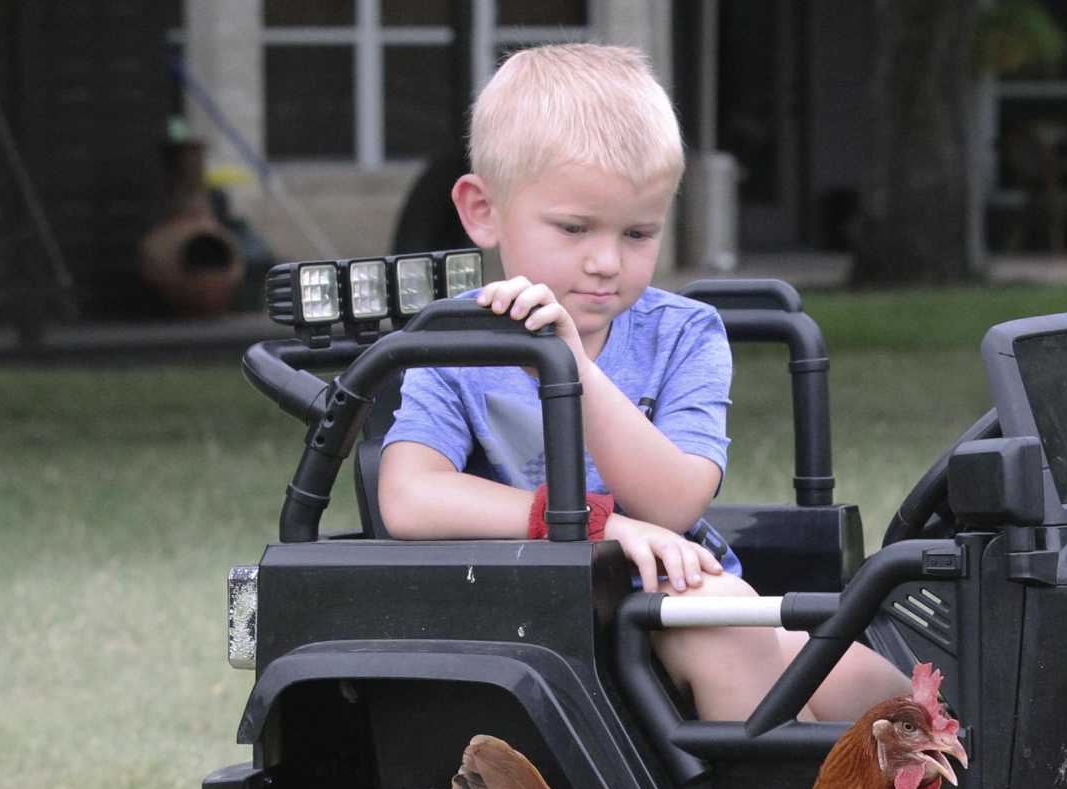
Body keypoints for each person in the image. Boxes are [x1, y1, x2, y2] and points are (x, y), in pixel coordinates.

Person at [380, 43, 908, 722]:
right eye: (574, 228)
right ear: (483, 210)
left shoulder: (684, 333)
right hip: (547, 612)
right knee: (723, 625)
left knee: (893, 701)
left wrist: (575, 370)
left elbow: (676, 502)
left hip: (681, 581)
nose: (606, 261)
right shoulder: (457, 343)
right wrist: (597, 525)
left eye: (638, 233)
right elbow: (409, 496)